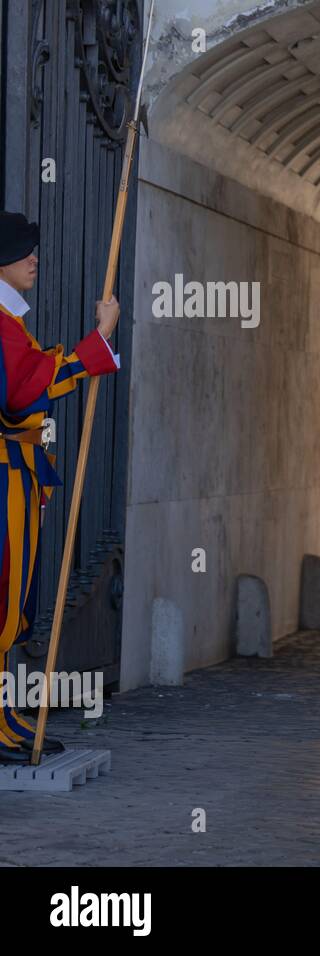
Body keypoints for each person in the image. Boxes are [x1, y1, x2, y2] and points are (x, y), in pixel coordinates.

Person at [0, 211, 121, 764]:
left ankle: (3, 714)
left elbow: (34, 371)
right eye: (23, 249)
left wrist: (87, 350)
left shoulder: (10, 320)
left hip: (16, 475)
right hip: (5, 477)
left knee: (10, 600)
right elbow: (24, 394)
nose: (34, 258)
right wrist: (95, 345)